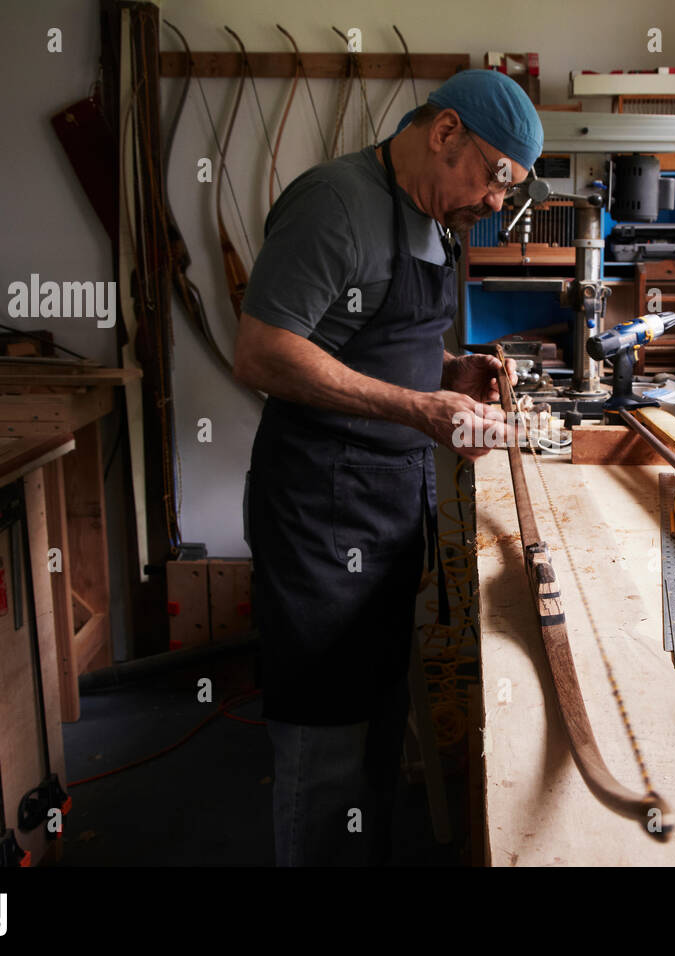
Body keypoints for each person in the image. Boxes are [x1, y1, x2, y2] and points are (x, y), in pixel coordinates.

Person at [233, 69, 544, 865]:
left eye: (510, 192)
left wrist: (445, 373)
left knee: (376, 702)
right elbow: (264, 352)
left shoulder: (430, 214)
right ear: (445, 134)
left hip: (385, 496)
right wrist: (418, 410)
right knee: (326, 718)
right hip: (320, 503)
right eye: (497, 179)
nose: (496, 206)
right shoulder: (335, 204)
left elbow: (367, 335)